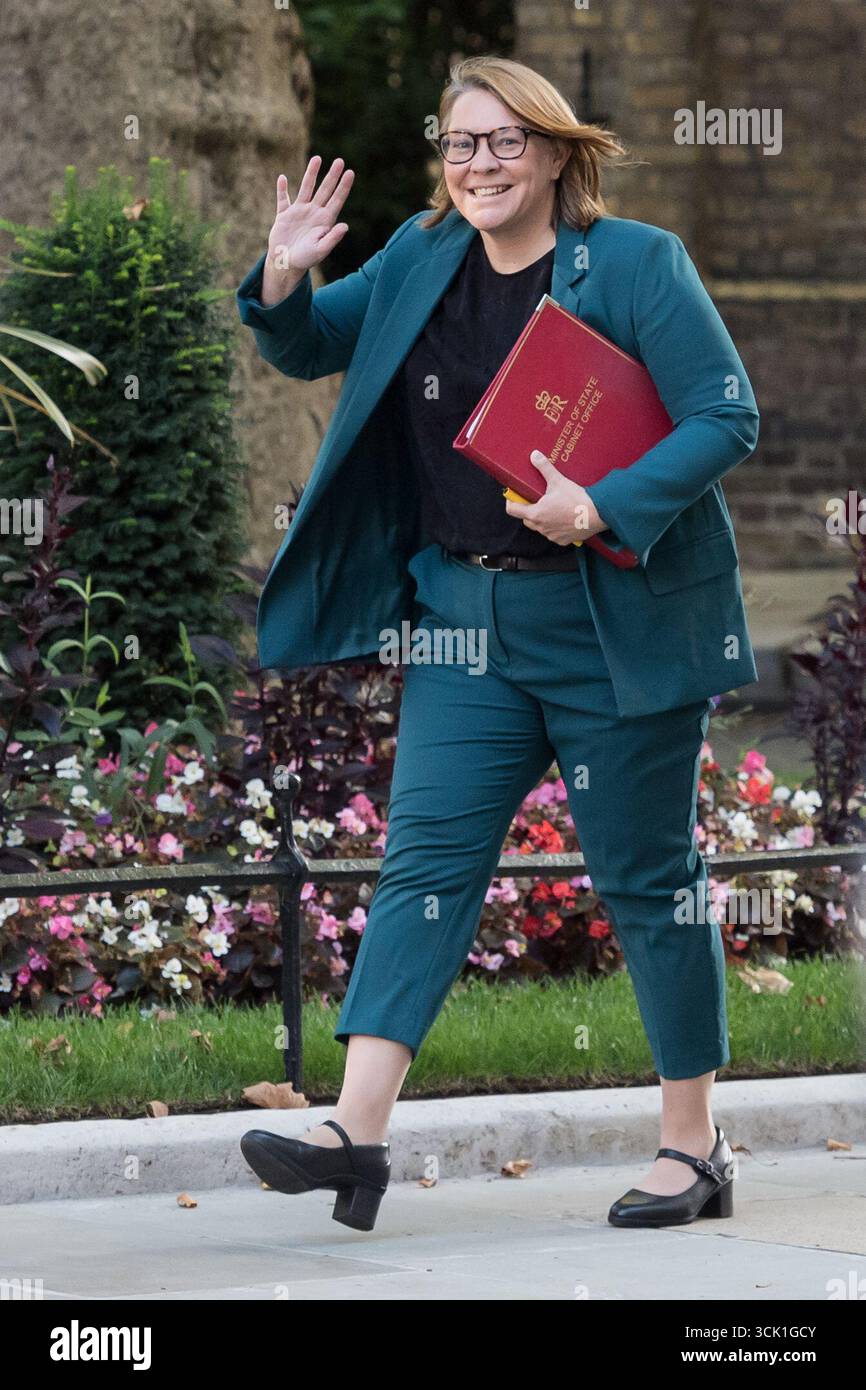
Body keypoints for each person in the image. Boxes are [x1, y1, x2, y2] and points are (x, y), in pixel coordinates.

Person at [237, 56, 756, 1233]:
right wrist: (281, 273)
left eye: (505, 141)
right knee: (422, 862)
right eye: (461, 143)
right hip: (463, 623)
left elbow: (725, 413)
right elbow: (308, 343)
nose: (479, 163)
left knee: (646, 879)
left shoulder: (635, 263)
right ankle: (355, 1135)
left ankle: (693, 1144)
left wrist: (603, 503)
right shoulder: (420, 256)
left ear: (556, 153)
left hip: (609, 622)